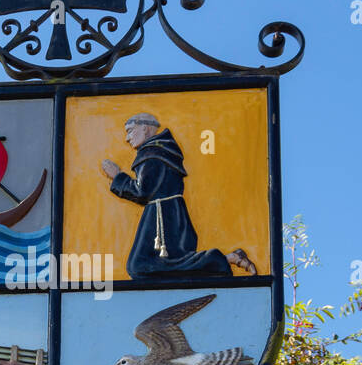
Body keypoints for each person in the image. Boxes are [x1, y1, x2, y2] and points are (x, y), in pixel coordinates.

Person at [100, 113, 256, 279]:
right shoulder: (163, 149)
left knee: (140, 266)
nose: (127, 138)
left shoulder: (151, 153)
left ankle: (217, 259)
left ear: (144, 129)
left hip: (162, 220)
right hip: (172, 216)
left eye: (130, 131)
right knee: (162, 266)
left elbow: (142, 192)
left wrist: (117, 176)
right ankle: (227, 258)